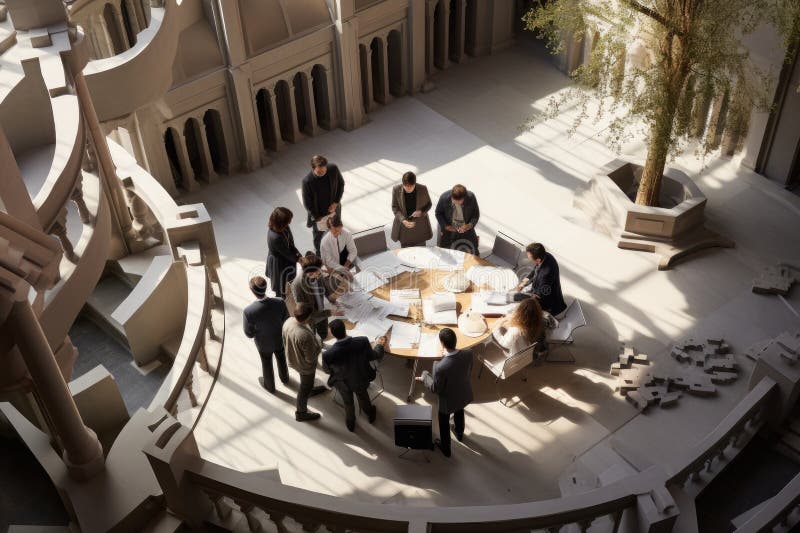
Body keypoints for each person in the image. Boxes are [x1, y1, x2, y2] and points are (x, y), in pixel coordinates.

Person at [415, 328, 473, 457]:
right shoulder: (469, 353)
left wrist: (425, 377)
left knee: (443, 422)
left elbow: (436, 389)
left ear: (442, 344)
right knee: (459, 409)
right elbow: (468, 371)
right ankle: (459, 433)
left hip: (447, 401)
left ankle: (446, 448)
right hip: (463, 392)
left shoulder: (440, 366)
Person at [322, 320, 386, 431]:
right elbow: (374, 355)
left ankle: (350, 422)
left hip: (342, 383)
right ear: (345, 329)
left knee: (348, 402)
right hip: (360, 377)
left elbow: (327, 371)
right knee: (363, 396)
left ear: (332, 334)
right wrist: (380, 345)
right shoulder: (362, 341)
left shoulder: (328, 354)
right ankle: (370, 413)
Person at [243, 276, 290, 394]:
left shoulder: (249, 311)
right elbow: (287, 319)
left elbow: (249, 333)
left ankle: (270, 387)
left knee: (266, 363)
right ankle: (285, 378)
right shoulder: (280, 302)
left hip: (263, 343)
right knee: (281, 358)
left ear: (253, 291)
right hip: (279, 339)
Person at [283, 302, 328, 421]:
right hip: (305, 366)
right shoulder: (304, 335)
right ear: (307, 317)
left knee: (306, 383)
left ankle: (311, 389)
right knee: (304, 388)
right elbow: (311, 358)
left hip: (294, 359)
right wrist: (319, 344)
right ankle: (301, 412)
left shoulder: (288, 322)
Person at [291, 253, 341, 341]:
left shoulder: (317, 273)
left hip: (321, 309)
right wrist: (330, 312)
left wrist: (331, 298)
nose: (320, 272)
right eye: (318, 272)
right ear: (310, 273)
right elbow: (305, 311)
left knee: (324, 333)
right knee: (312, 337)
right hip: (311, 318)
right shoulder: (297, 285)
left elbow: (324, 287)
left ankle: (323, 339)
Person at [302, 154, 345, 256]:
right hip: (319, 215)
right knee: (319, 237)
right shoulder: (307, 181)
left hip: (334, 210)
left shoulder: (333, 169)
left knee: (336, 231)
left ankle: (337, 251)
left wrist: (336, 202)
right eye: (319, 172)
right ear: (313, 169)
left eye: (324, 171)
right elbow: (307, 203)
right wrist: (317, 217)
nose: (323, 173)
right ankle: (319, 256)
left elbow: (341, 184)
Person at [514, 243, 567, 317]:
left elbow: (539, 296)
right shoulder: (545, 255)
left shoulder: (546, 275)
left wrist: (523, 298)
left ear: (538, 259)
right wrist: (523, 283)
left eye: (530, 258)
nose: (528, 258)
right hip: (542, 292)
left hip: (549, 306)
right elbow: (535, 270)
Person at [390, 171, 433, 247]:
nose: (409, 189)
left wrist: (421, 212)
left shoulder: (422, 189)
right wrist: (403, 220)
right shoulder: (396, 189)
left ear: (415, 183)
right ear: (403, 184)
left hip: (420, 227)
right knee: (405, 253)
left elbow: (429, 204)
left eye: (411, 186)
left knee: (422, 251)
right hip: (404, 229)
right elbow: (395, 207)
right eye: (406, 186)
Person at [266, 207, 301, 299]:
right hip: (279, 264)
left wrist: (299, 255)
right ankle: (283, 303)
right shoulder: (275, 237)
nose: (289, 223)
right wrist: (299, 259)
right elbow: (287, 253)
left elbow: (291, 243)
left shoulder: (284, 227)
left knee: (288, 283)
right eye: (288, 221)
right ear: (280, 223)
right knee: (281, 286)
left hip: (287, 258)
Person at [435, 184, 480, 254]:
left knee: (474, 252)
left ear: (464, 198)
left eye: (459, 202)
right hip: (449, 230)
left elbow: (476, 214)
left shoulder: (471, 197)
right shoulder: (444, 198)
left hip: (466, 230)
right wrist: (446, 226)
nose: (456, 204)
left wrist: (469, 225)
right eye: (454, 201)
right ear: (451, 196)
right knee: (445, 253)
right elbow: (438, 213)